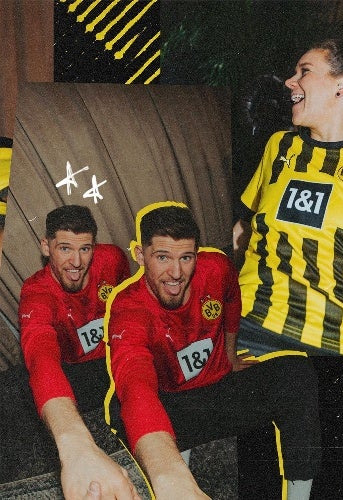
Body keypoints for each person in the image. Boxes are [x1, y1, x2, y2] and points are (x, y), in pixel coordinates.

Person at [105, 201, 321, 500]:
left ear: (197, 254)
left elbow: (231, 298)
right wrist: (168, 470)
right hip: (172, 406)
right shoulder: (129, 309)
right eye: (163, 257)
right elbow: (134, 379)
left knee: (296, 370)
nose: (176, 272)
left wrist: (230, 356)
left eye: (186, 257)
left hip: (220, 390)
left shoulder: (216, 267)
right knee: (122, 409)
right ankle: (176, 467)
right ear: (141, 255)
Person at [233, 28, 343, 356]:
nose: (289, 82)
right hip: (253, 322)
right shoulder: (279, 146)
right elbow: (243, 230)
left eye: (304, 72)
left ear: (342, 85)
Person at [18, 204, 139, 500]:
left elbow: (128, 301)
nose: (76, 261)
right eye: (65, 249)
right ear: (46, 247)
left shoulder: (112, 258)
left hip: (113, 354)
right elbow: (41, 357)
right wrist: (75, 445)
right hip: (76, 371)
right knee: (32, 390)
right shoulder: (36, 292)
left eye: (85, 249)